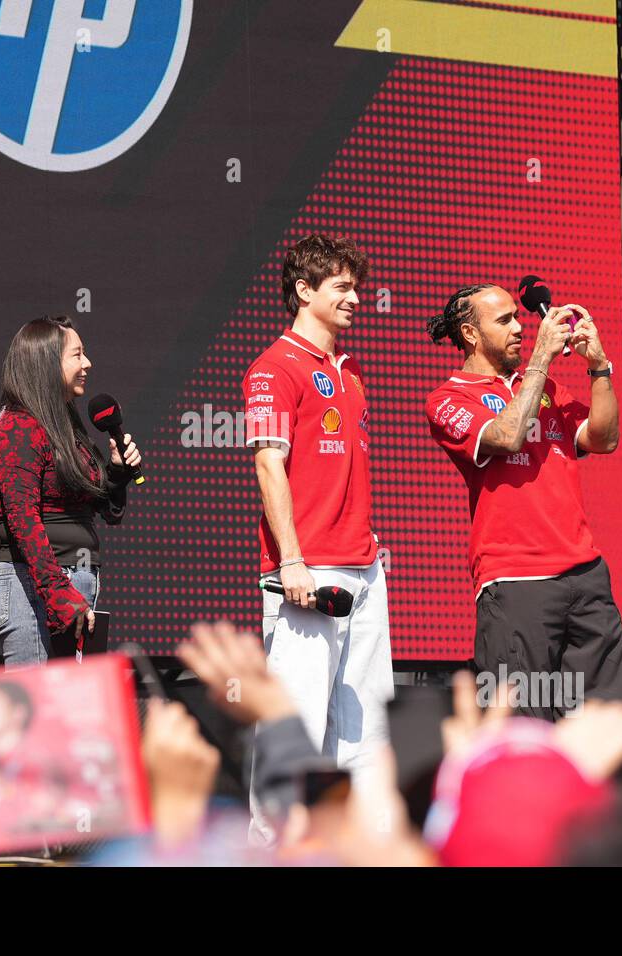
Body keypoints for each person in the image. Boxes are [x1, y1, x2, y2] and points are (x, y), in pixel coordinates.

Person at [241, 234, 394, 843]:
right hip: (308, 573)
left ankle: (357, 846)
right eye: (343, 287)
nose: (356, 298)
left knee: (365, 729)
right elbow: (267, 463)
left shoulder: (349, 373)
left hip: (364, 567)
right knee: (295, 723)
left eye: (356, 287)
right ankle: (269, 848)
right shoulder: (272, 368)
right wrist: (293, 561)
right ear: (303, 292)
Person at [424, 284, 622, 719]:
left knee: (609, 725)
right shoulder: (449, 398)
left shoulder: (543, 387)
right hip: (517, 581)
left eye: (518, 318)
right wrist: (541, 357)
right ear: (469, 333)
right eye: (504, 321)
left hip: (586, 575)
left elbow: (604, 437)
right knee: (521, 728)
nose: (520, 328)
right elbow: (507, 435)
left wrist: (599, 367)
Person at [0, 315, 142, 667]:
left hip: (72, 585)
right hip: (33, 588)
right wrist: (58, 593)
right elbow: (22, 517)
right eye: (77, 355)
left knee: (68, 714)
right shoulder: (18, 426)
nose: (88, 364)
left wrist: (117, 472)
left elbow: (107, 511)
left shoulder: (64, 424)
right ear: (46, 362)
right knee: (37, 713)